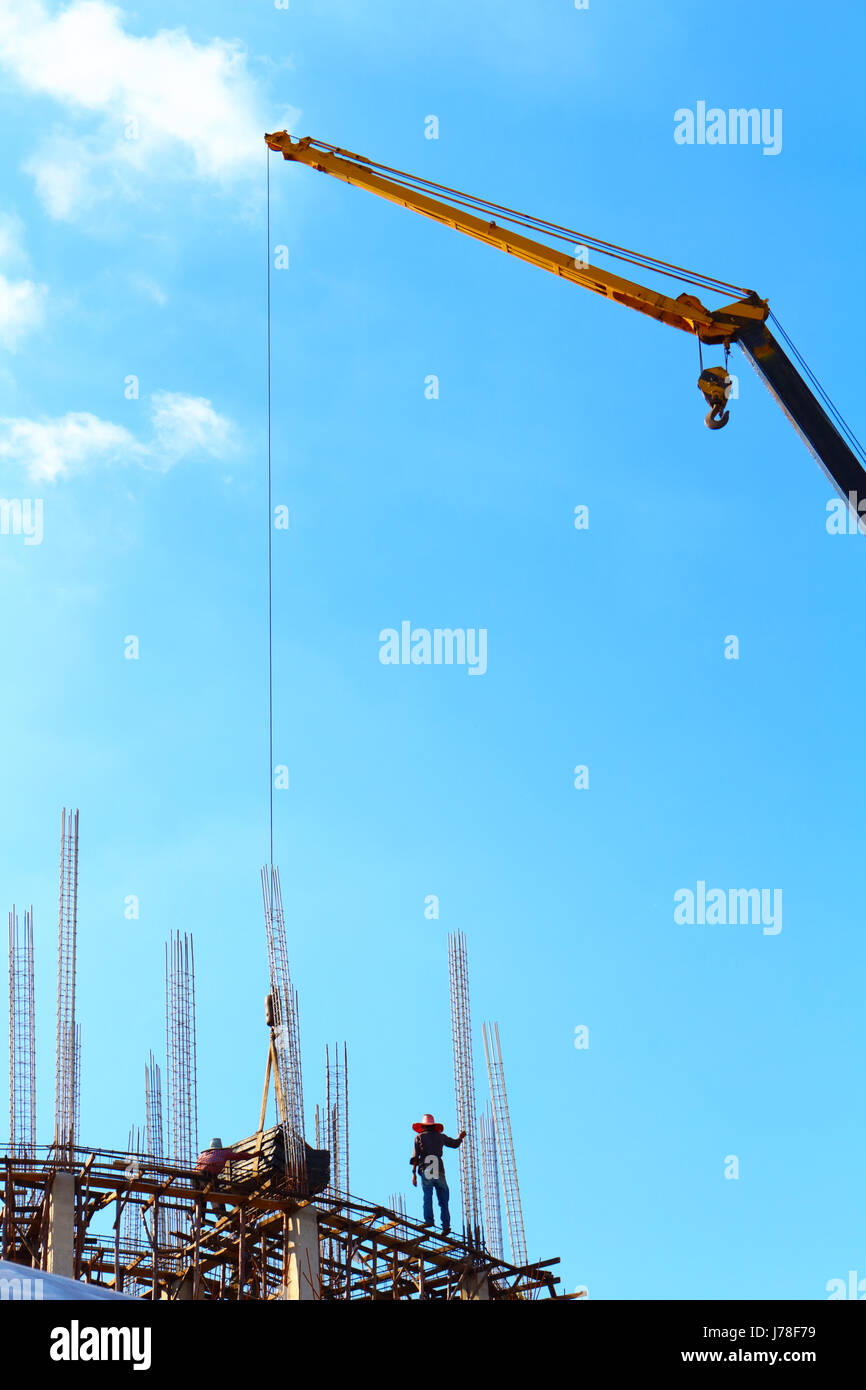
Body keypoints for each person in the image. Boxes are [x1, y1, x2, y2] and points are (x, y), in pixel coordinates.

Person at [410, 1113, 465, 1234]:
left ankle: (429, 1220)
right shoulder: (440, 1137)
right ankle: (446, 1226)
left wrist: (414, 1174)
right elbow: (454, 1144)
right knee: (443, 1200)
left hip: (428, 1168)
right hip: (439, 1170)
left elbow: (415, 1157)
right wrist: (460, 1138)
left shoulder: (419, 1137)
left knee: (428, 1196)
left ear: (423, 1126)